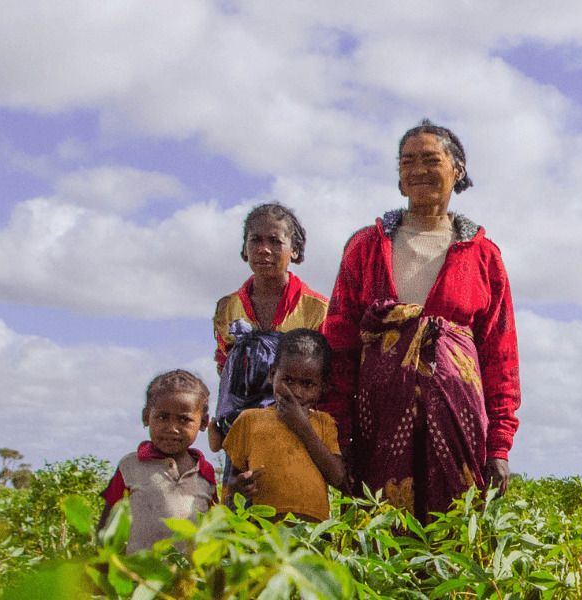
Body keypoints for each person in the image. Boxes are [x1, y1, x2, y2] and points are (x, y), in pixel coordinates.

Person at [319, 119, 520, 521]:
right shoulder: (366, 246)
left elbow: (500, 355)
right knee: (379, 536)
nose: (418, 171)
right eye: (406, 162)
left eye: (431, 159)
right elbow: (339, 344)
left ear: (457, 170)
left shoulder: (482, 254)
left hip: (459, 422)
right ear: (398, 178)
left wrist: (498, 445)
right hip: (377, 424)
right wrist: (339, 435)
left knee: (455, 537)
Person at [210, 202, 329, 452]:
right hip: (240, 431)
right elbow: (224, 366)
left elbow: (329, 377)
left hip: (297, 431)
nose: (264, 249)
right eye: (255, 240)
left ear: (294, 250)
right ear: (245, 248)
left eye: (275, 241)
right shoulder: (227, 308)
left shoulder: (316, 309)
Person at [224, 329, 347, 522]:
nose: (295, 392)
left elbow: (338, 477)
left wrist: (303, 427)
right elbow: (232, 480)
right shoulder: (249, 420)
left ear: (323, 387)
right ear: (272, 374)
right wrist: (239, 486)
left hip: (312, 537)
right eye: (287, 380)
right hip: (262, 531)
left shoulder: (324, 423)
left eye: (307, 384)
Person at [98, 370, 219, 554]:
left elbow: (214, 527)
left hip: (190, 580)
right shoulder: (130, 466)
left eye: (184, 419)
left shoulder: (205, 472)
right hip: (139, 577)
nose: (172, 428)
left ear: (203, 423)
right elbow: (106, 528)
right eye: (163, 417)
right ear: (146, 417)